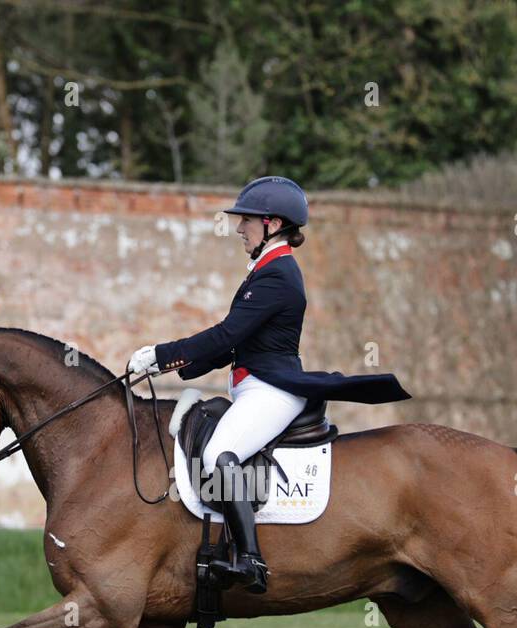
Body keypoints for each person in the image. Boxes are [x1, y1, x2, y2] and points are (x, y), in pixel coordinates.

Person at [129, 175, 409, 594]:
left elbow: (226, 335)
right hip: (255, 385)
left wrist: (161, 354)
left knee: (219, 455)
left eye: (247, 221)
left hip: (272, 390)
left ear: (273, 224)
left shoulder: (277, 274)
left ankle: (250, 561)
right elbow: (233, 345)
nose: (239, 228)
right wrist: (170, 365)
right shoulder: (266, 269)